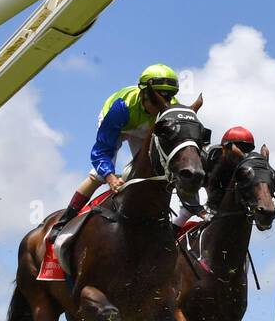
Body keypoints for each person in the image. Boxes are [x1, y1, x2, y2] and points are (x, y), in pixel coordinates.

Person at [48, 64, 183, 242]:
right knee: (98, 175)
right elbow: (101, 151)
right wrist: (110, 177)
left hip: (145, 128)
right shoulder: (120, 108)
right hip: (120, 124)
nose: (160, 105)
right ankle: (64, 221)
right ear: (143, 94)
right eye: (155, 99)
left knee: (156, 171)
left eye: (167, 98)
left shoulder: (171, 109)